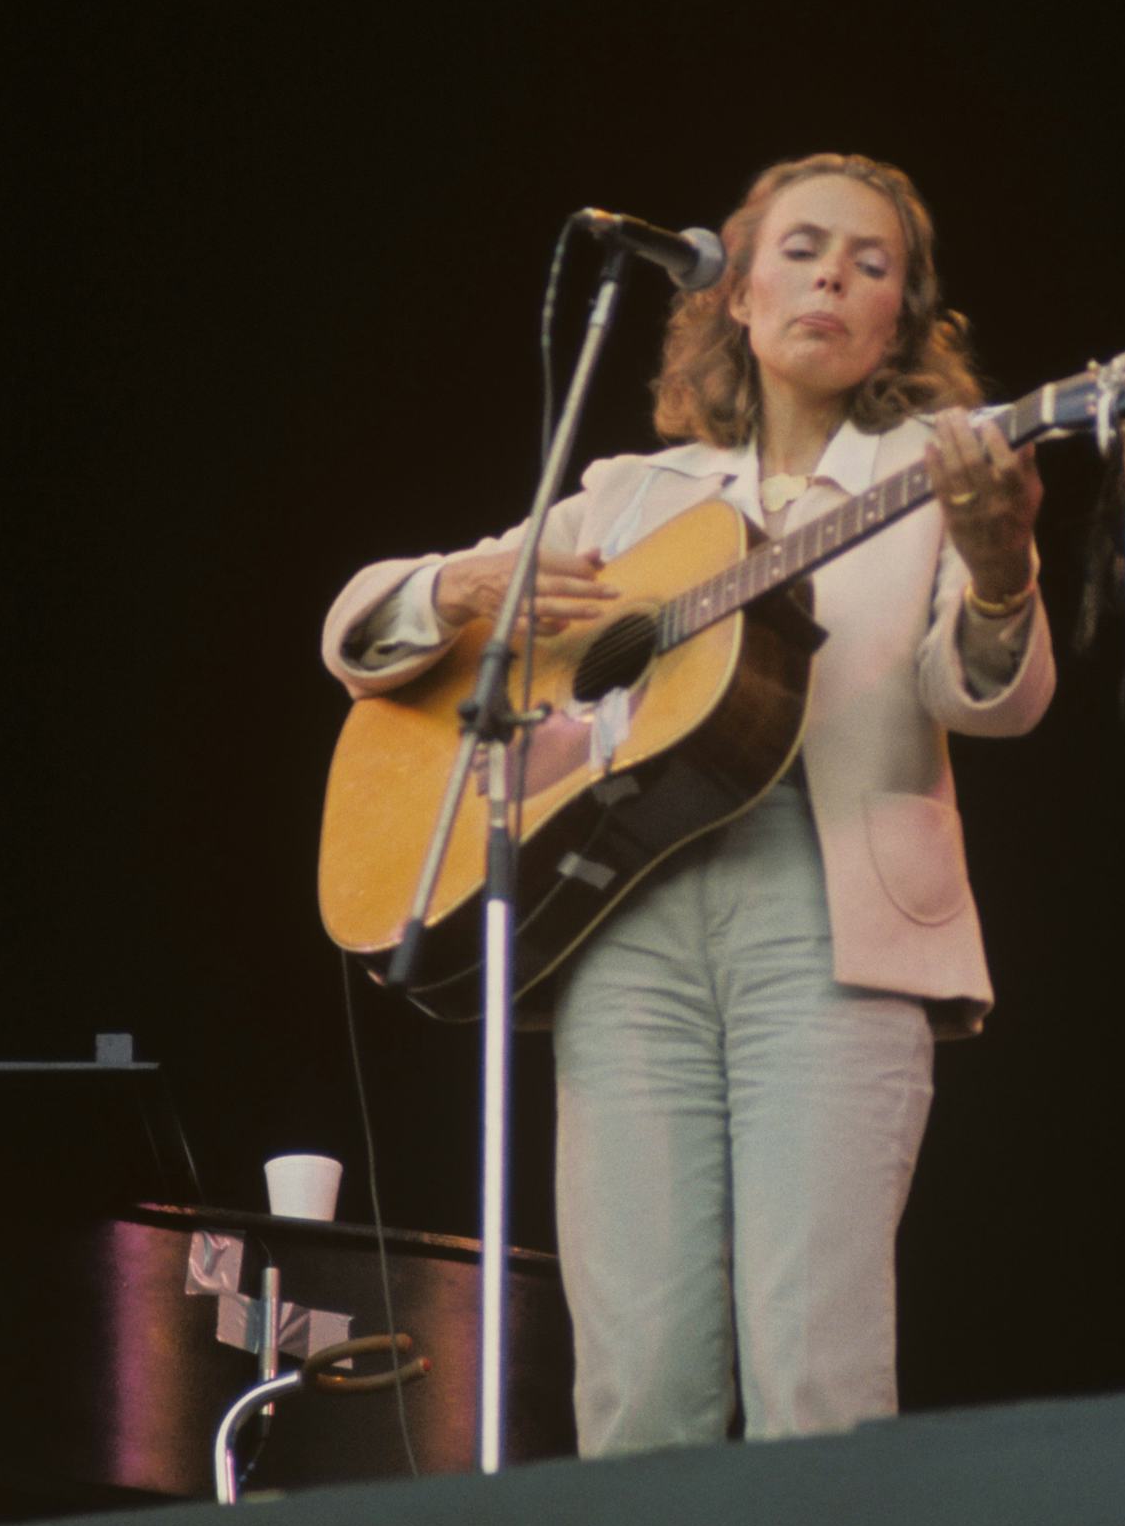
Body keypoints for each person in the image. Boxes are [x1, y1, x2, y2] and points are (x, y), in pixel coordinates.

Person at [322, 153, 1054, 1457]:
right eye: (802, 250)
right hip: (623, 917)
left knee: (815, 1373)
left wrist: (1001, 570)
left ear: (899, 318)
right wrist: (463, 590)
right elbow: (357, 632)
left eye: (871, 265)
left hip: (828, 918)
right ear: (736, 289)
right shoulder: (633, 493)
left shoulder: (932, 475)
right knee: (637, 1384)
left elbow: (992, 698)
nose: (832, 279)